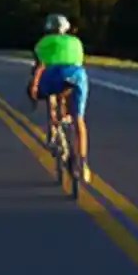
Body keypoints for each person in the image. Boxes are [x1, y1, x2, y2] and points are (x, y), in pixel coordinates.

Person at [27, 13, 90, 183]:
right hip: (77, 75)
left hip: (53, 76)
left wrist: (34, 86)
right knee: (79, 121)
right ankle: (82, 163)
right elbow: (78, 62)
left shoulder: (42, 43)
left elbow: (39, 67)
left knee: (50, 92)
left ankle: (54, 129)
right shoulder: (76, 42)